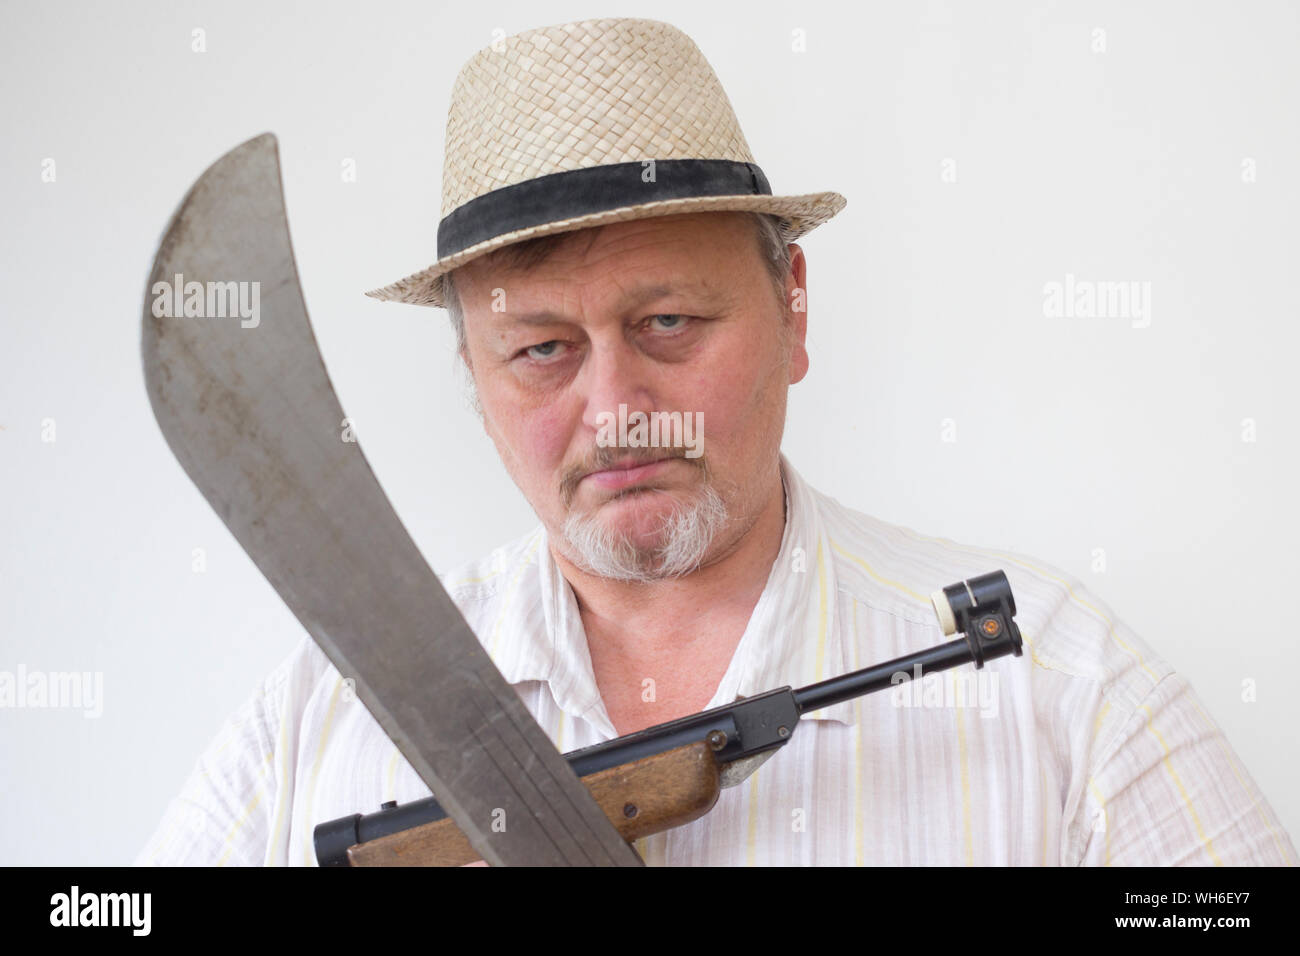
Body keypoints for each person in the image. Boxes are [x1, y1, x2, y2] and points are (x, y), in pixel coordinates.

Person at [135, 17, 1295, 866]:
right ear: (472, 380)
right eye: (540, 348)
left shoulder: (1062, 685)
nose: (617, 408)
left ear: (794, 308)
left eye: (668, 324)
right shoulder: (311, 729)